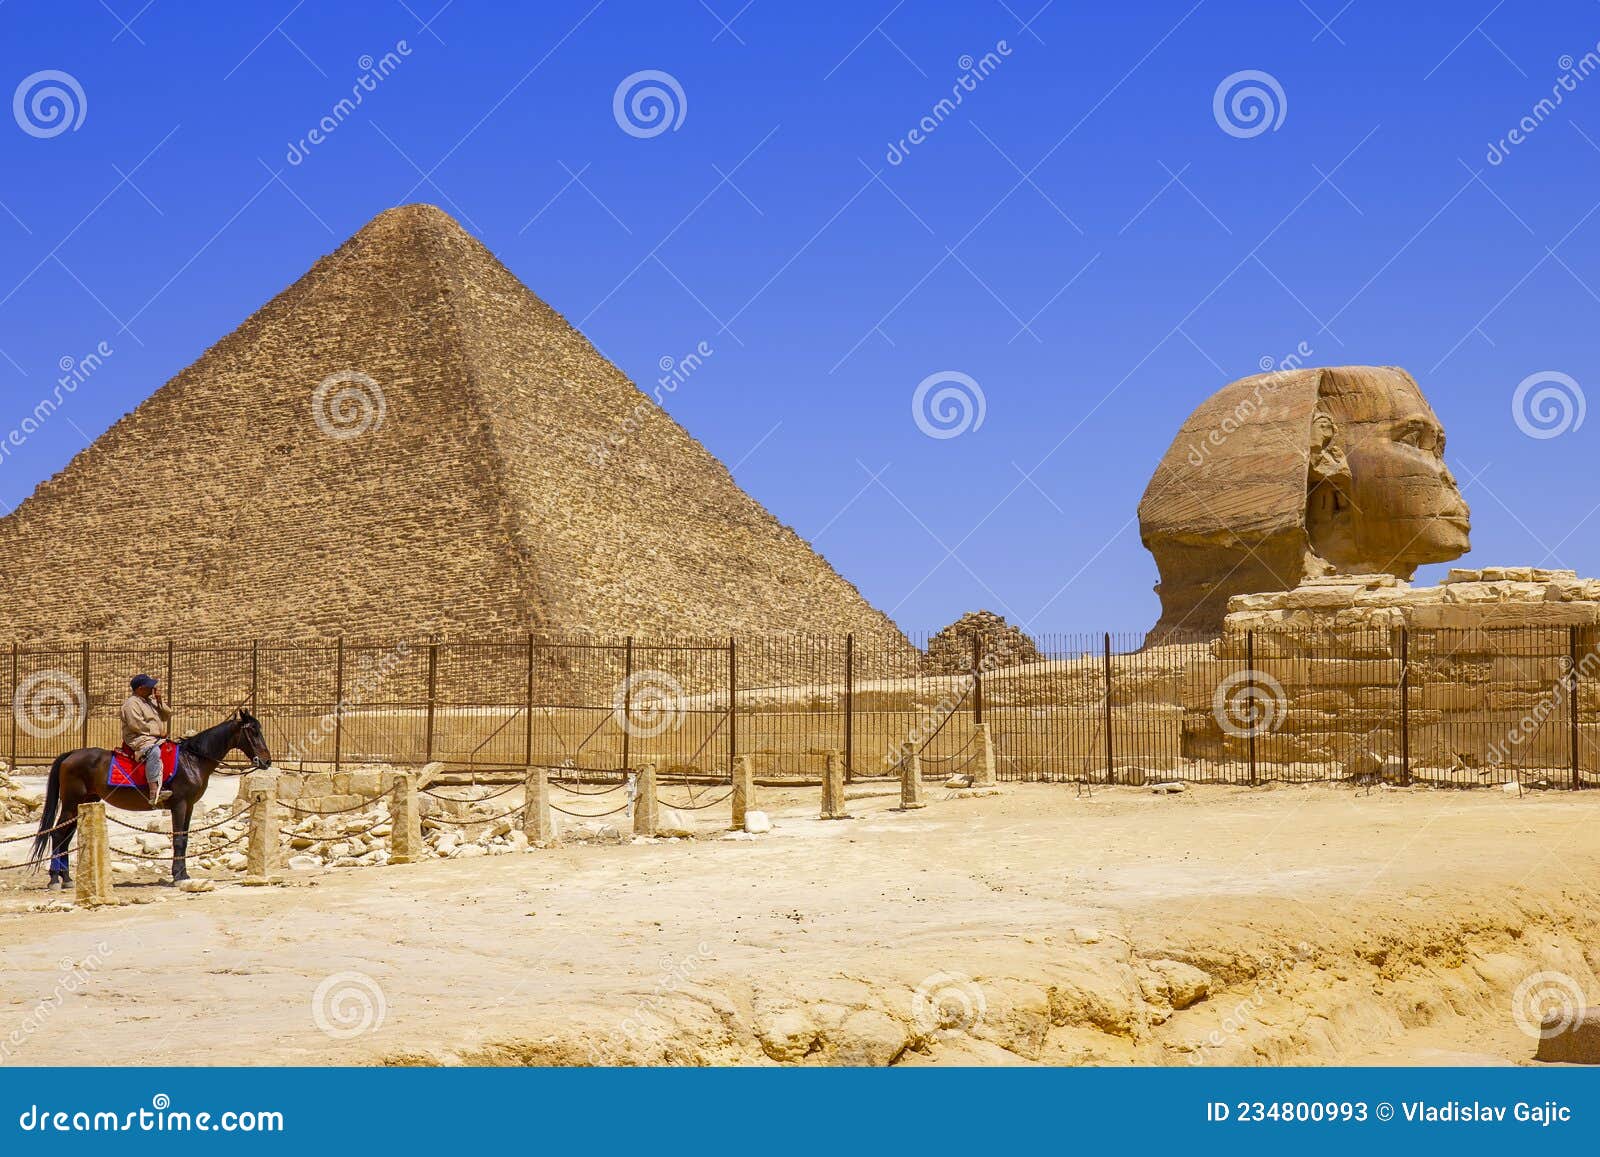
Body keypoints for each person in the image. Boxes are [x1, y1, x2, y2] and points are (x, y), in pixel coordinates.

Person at [121, 674, 173, 807]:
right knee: (154, 752)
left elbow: (167, 715)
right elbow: (136, 725)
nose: (152, 689)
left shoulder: (148, 701)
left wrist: (160, 700)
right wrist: (158, 732)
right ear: (140, 689)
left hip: (153, 737)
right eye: (149, 687)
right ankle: (153, 791)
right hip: (139, 739)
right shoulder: (131, 703)